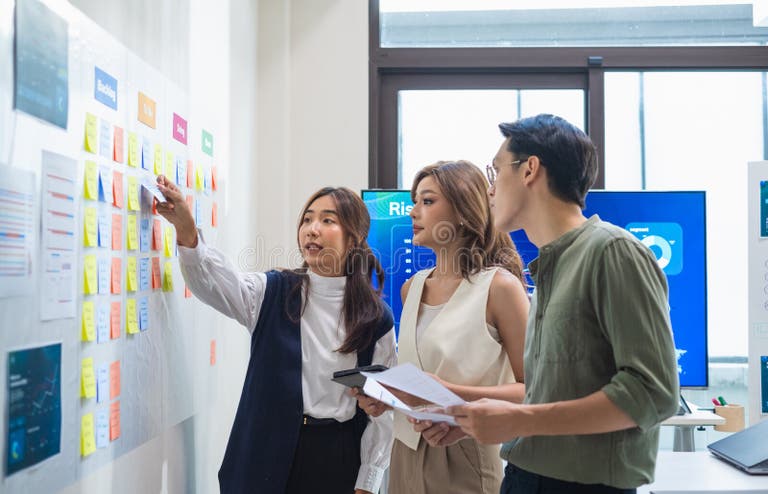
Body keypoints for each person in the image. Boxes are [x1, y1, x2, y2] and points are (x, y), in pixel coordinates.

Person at [446, 114, 680, 494]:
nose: (489, 190)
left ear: (530, 170)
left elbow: (652, 392)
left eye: (495, 171)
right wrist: (469, 419)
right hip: (526, 476)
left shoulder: (612, 251)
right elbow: (549, 394)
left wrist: (522, 421)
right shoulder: (551, 264)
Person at [155, 176, 396, 494]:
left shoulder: (375, 318)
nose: (312, 229)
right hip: (265, 451)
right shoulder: (274, 291)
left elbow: (382, 412)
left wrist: (368, 482)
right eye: (307, 219)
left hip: (336, 457)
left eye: (327, 220)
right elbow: (214, 281)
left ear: (354, 237)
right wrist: (186, 231)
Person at [354, 161, 530, 493]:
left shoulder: (500, 288)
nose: (413, 212)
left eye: (427, 201)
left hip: (467, 454)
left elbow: (534, 391)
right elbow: (419, 381)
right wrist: (386, 398)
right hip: (404, 452)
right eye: (414, 201)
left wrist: (452, 393)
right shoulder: (412, 288)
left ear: (464, 211)